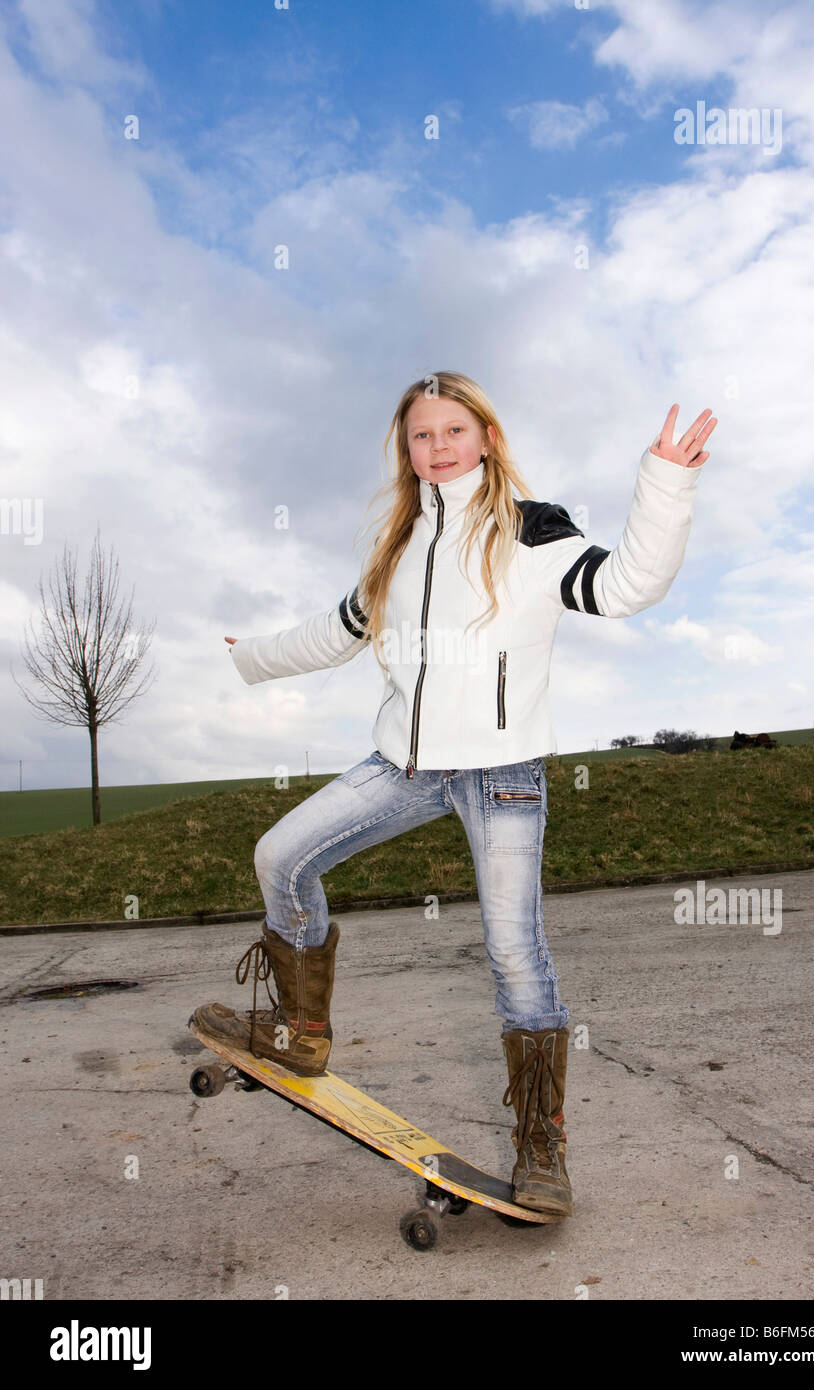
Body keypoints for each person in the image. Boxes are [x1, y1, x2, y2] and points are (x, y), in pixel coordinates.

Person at [193, 370, 714, 1218]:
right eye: (421, 436)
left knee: (515, 951)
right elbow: (339, 630)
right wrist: (251, 653)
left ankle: (540, 1143)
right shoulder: (398, 546)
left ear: (486, 436)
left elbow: (625, 586)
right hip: (406, 762)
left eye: (453, 431)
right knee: (280, 854)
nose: (438, 448)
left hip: (503, 772)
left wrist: (665, 482)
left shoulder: (532, 530)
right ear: (407, 450)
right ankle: (301, 1032)